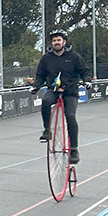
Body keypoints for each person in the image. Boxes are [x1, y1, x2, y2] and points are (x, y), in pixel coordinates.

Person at [31, 29, 92, 164]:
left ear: (64, 42)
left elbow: (84, 71)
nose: (56, 43)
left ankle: (74, 149)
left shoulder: (74, 57)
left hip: (70, 91)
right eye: (54, 41)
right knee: (46, 101)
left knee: (70, 116)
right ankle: (47, 130)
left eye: (59, 40)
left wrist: (87, 81)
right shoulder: (46, 58)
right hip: (53, 89)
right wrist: (36, 86)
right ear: (51, 43)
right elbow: (40, 75)